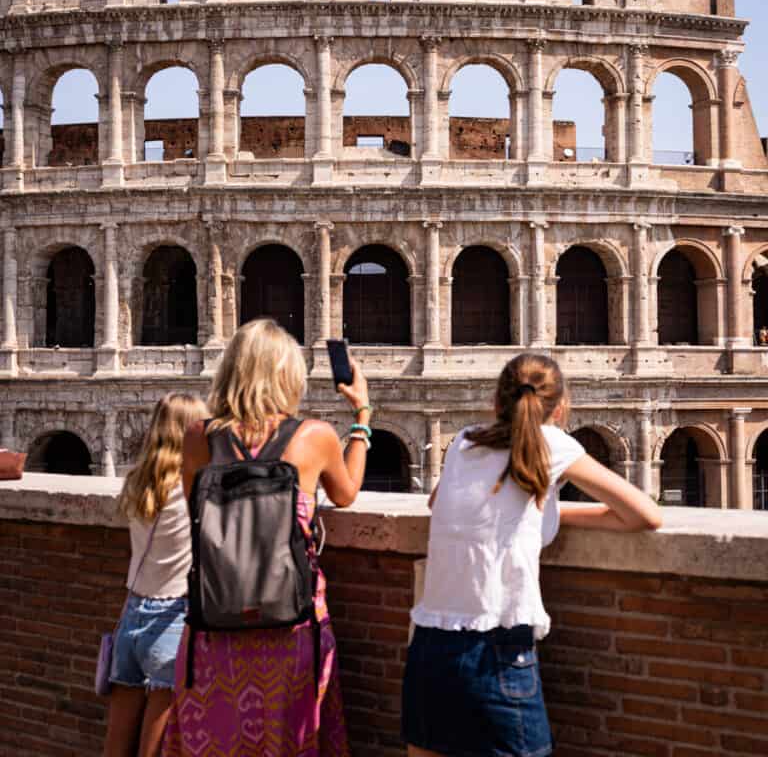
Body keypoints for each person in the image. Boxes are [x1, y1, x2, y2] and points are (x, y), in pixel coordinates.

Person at [402, 352, 662, 757]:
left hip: (430, 644)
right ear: (560, 408)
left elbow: (442, 503)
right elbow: (645, 515)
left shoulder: (464, 442)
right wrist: (547, 510)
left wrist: (541, 510)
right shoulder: (553, 443)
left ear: (496, 402)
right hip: (498, 649)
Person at [162, 318, 372, 757]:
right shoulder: (313, 436)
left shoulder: (199, 436)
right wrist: (362, 417)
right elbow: (347, 493)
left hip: (214, 629)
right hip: (290, 627)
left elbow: (194, 513)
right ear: (287, 374)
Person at [105, 392, 209, 757]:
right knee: (153, 748)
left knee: (116, 745)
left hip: (131, 616)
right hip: (171, 620)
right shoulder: (193, 489)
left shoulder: (137, 481)